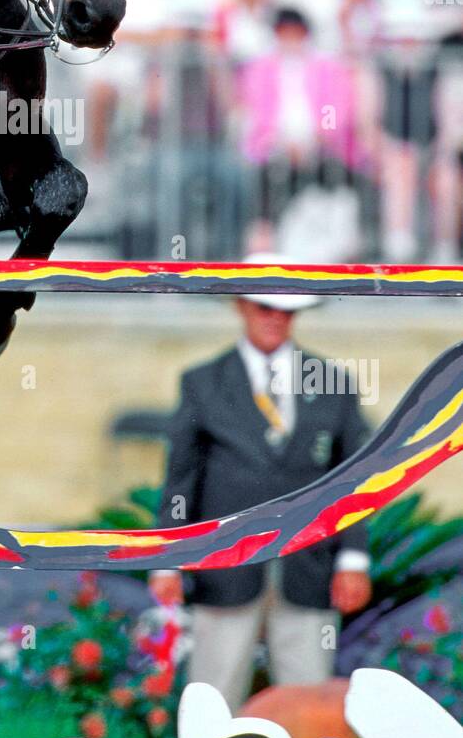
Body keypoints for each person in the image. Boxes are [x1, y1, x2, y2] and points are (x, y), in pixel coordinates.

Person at [152, 255, 372, 711]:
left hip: (307, 563)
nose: (274, 319)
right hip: (225, 563)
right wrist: (168, 560)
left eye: (285, 311)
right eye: (263, 307)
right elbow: (181, 479)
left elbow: (354, 478)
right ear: (241, 306)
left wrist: (353, 558)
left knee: (308, 696)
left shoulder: (333, 381)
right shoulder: (203, 383)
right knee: (213, 693)